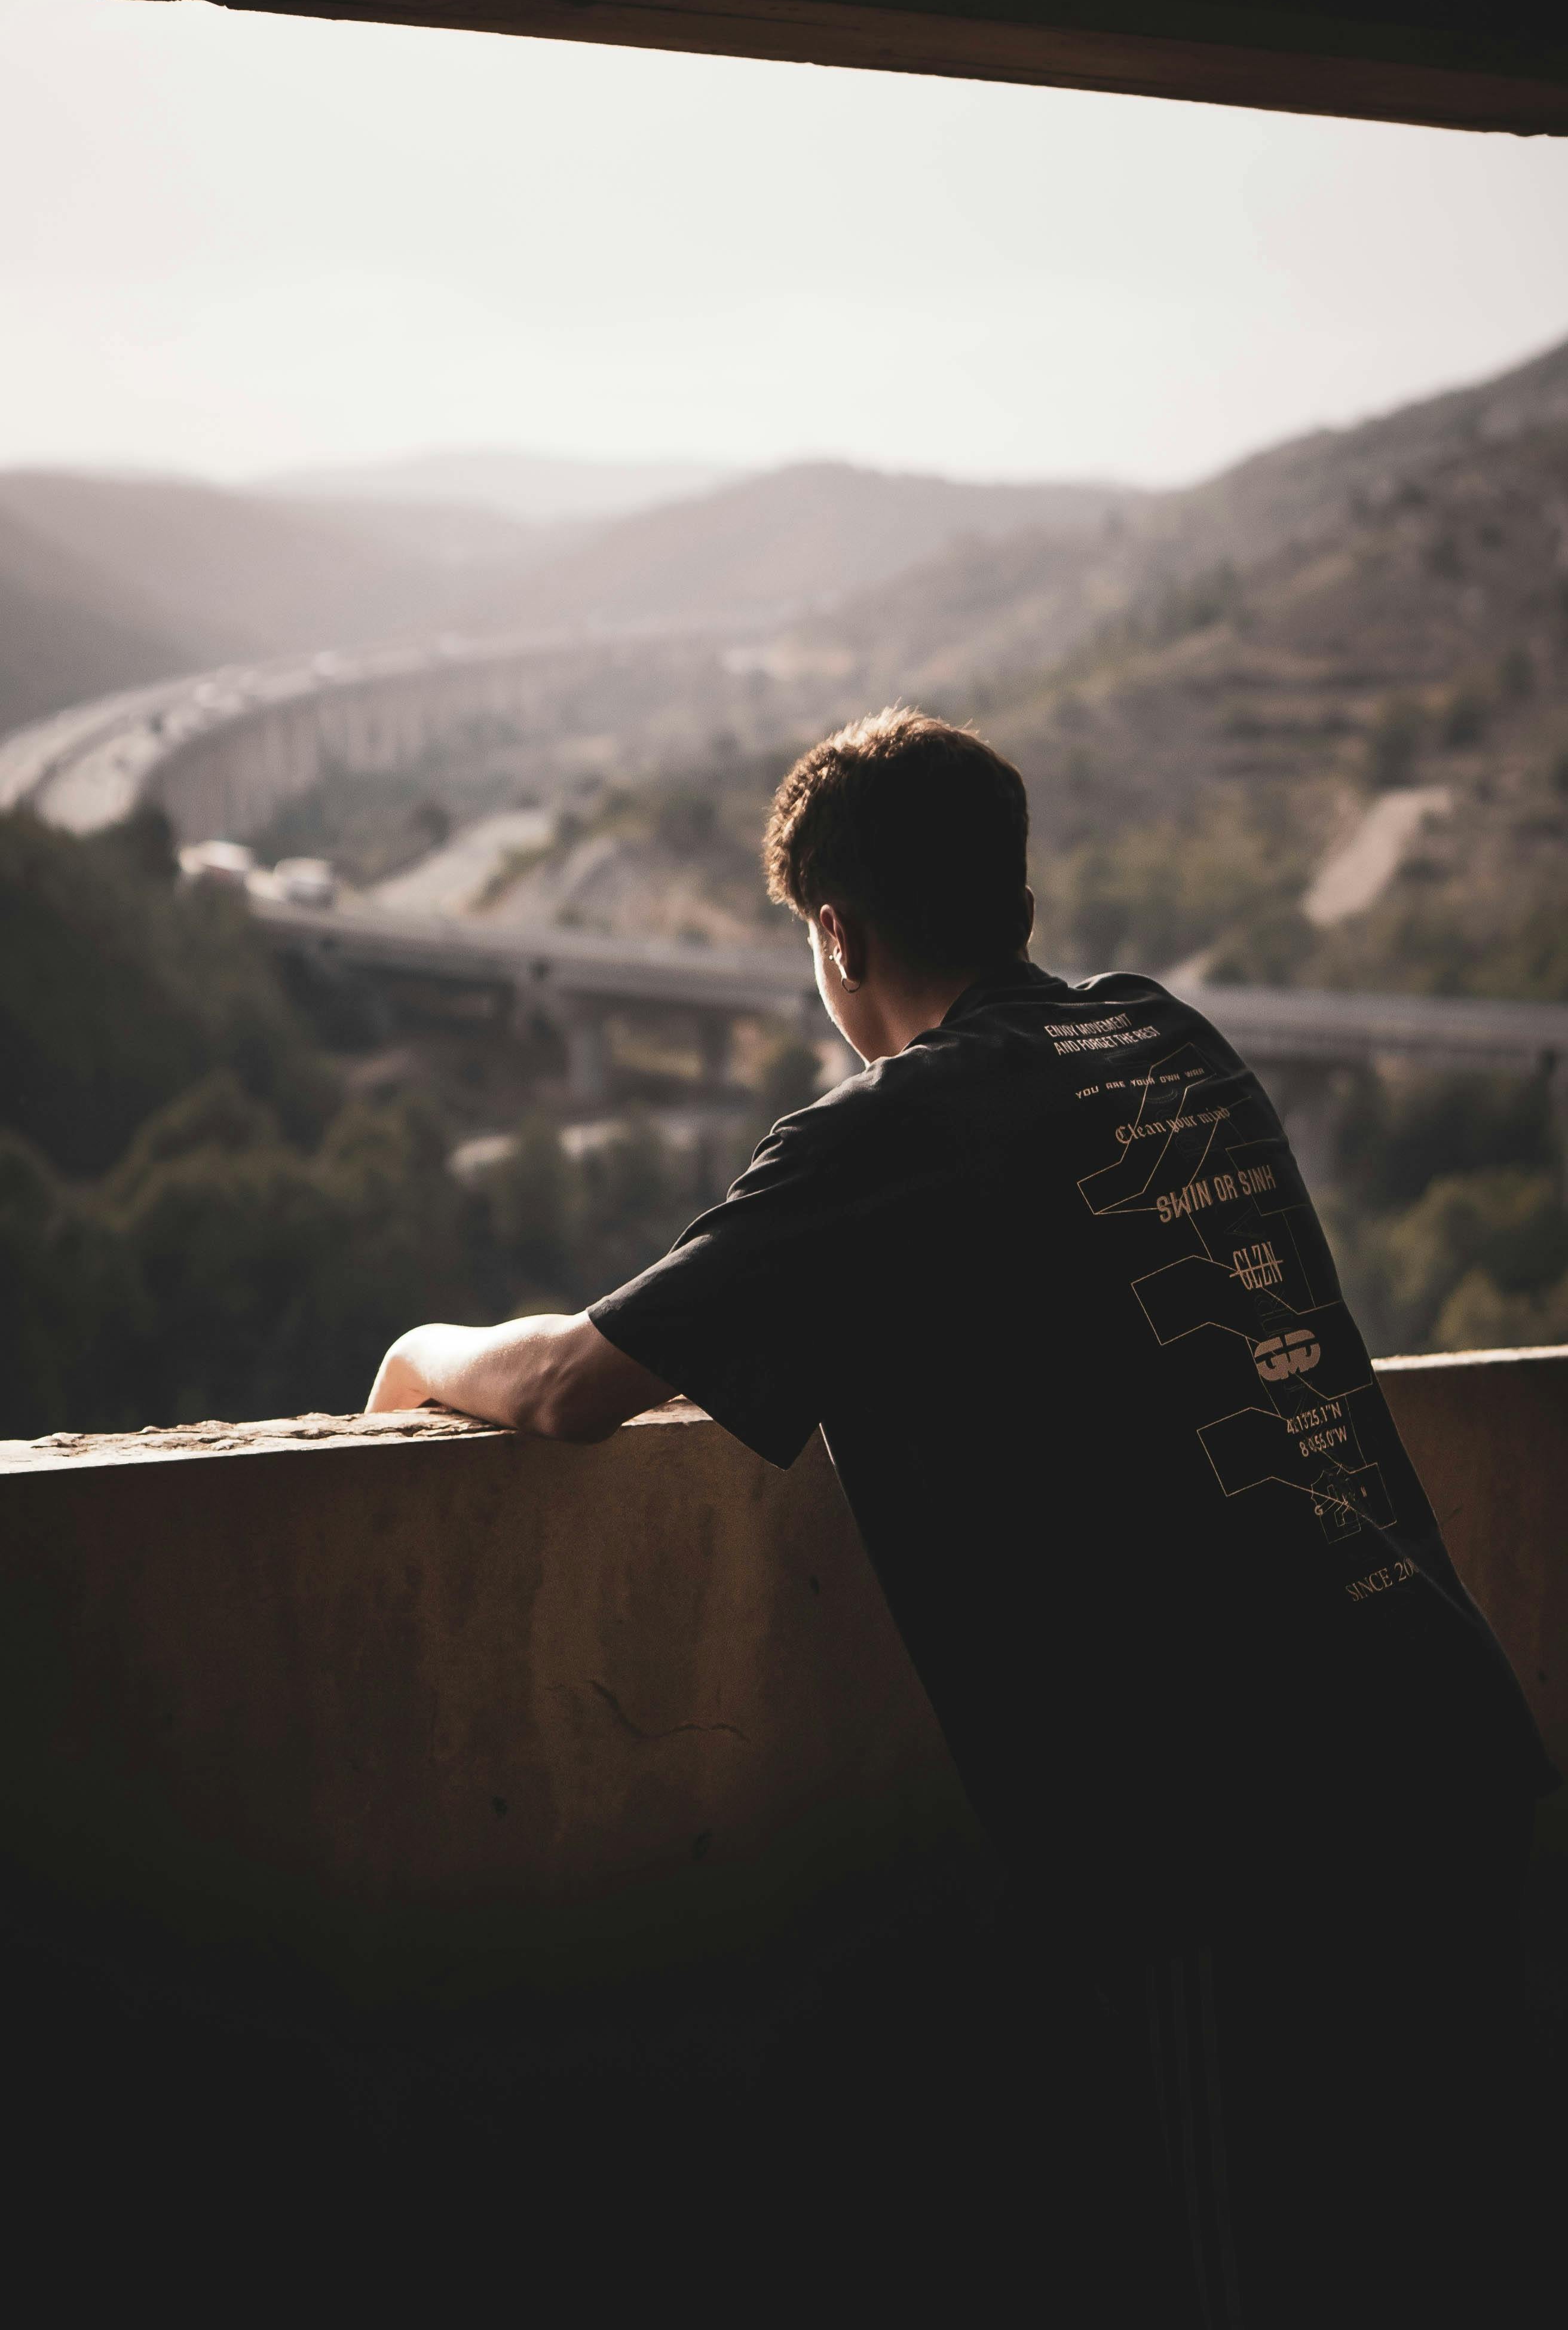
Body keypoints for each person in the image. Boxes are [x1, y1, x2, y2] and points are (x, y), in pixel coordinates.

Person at [368, 707, 1554, 2323]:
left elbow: (580, 1381)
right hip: (1457, 1747)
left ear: (834, 933)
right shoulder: (1170, 1040)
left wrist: (417, 1352)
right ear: (1018, 902)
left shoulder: (896, 1133)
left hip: (1234, 1849)